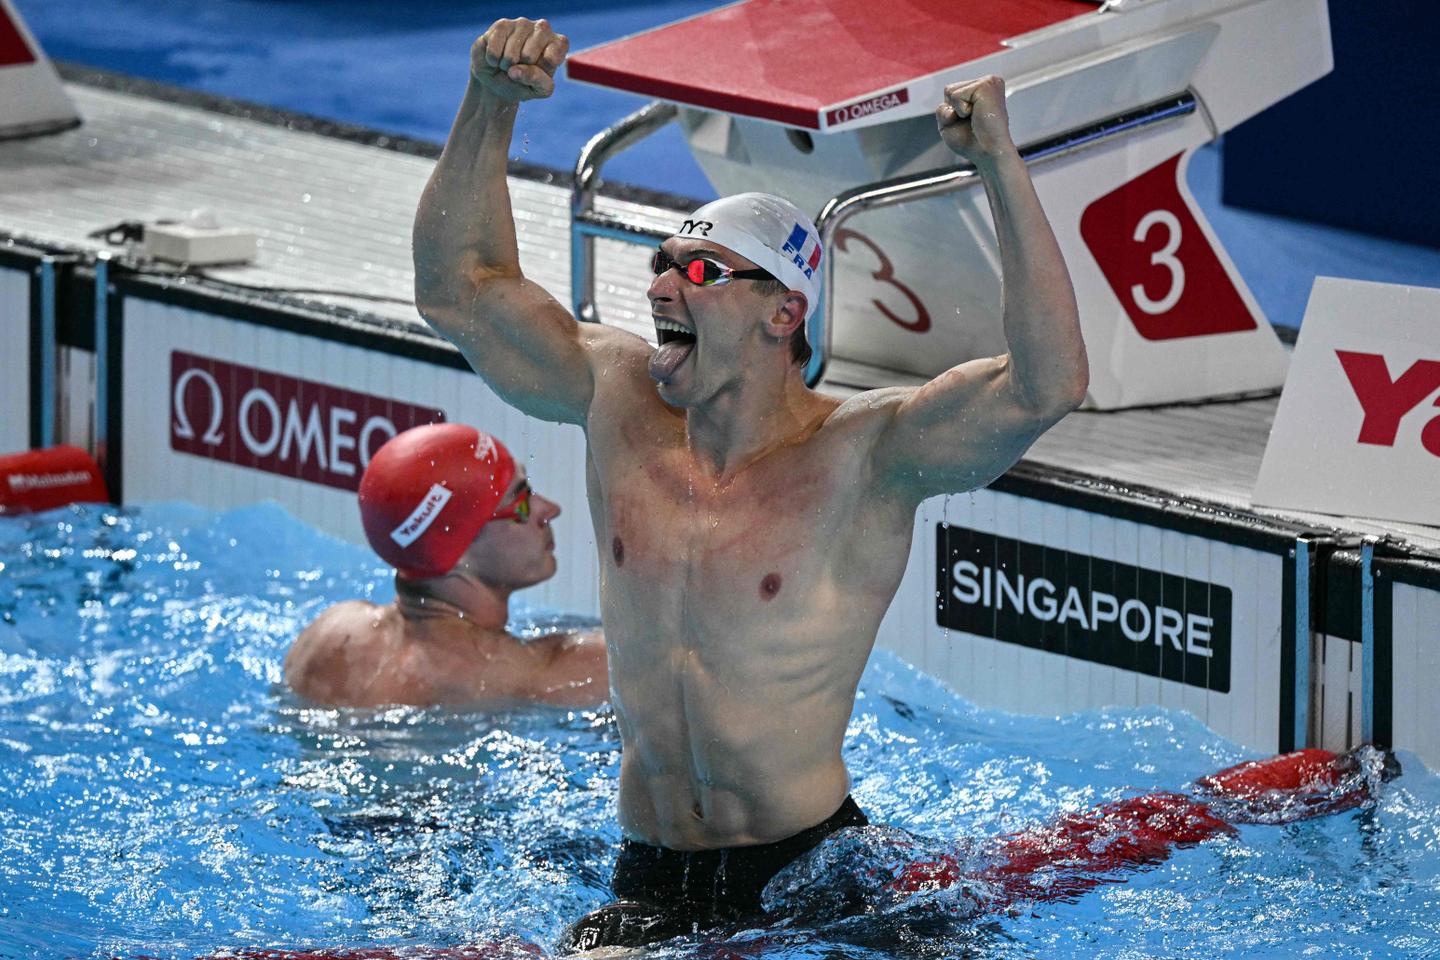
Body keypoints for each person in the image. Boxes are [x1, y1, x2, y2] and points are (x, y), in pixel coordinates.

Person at [412, 16, 1088, 948]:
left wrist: (1000, 167)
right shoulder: (615, 399)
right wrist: (489, 104)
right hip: (653, 869)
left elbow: (1047, 386)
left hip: (816, 873)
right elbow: (459, 288)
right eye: (660, 265)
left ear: (783, 314)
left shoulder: (867, 455)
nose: (660, 288)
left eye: (698, 271)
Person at [284, 423, 608, 709]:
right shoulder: (521, 674)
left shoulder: (328, 635)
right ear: (457, 550)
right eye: (520, 502)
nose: (549, 509)